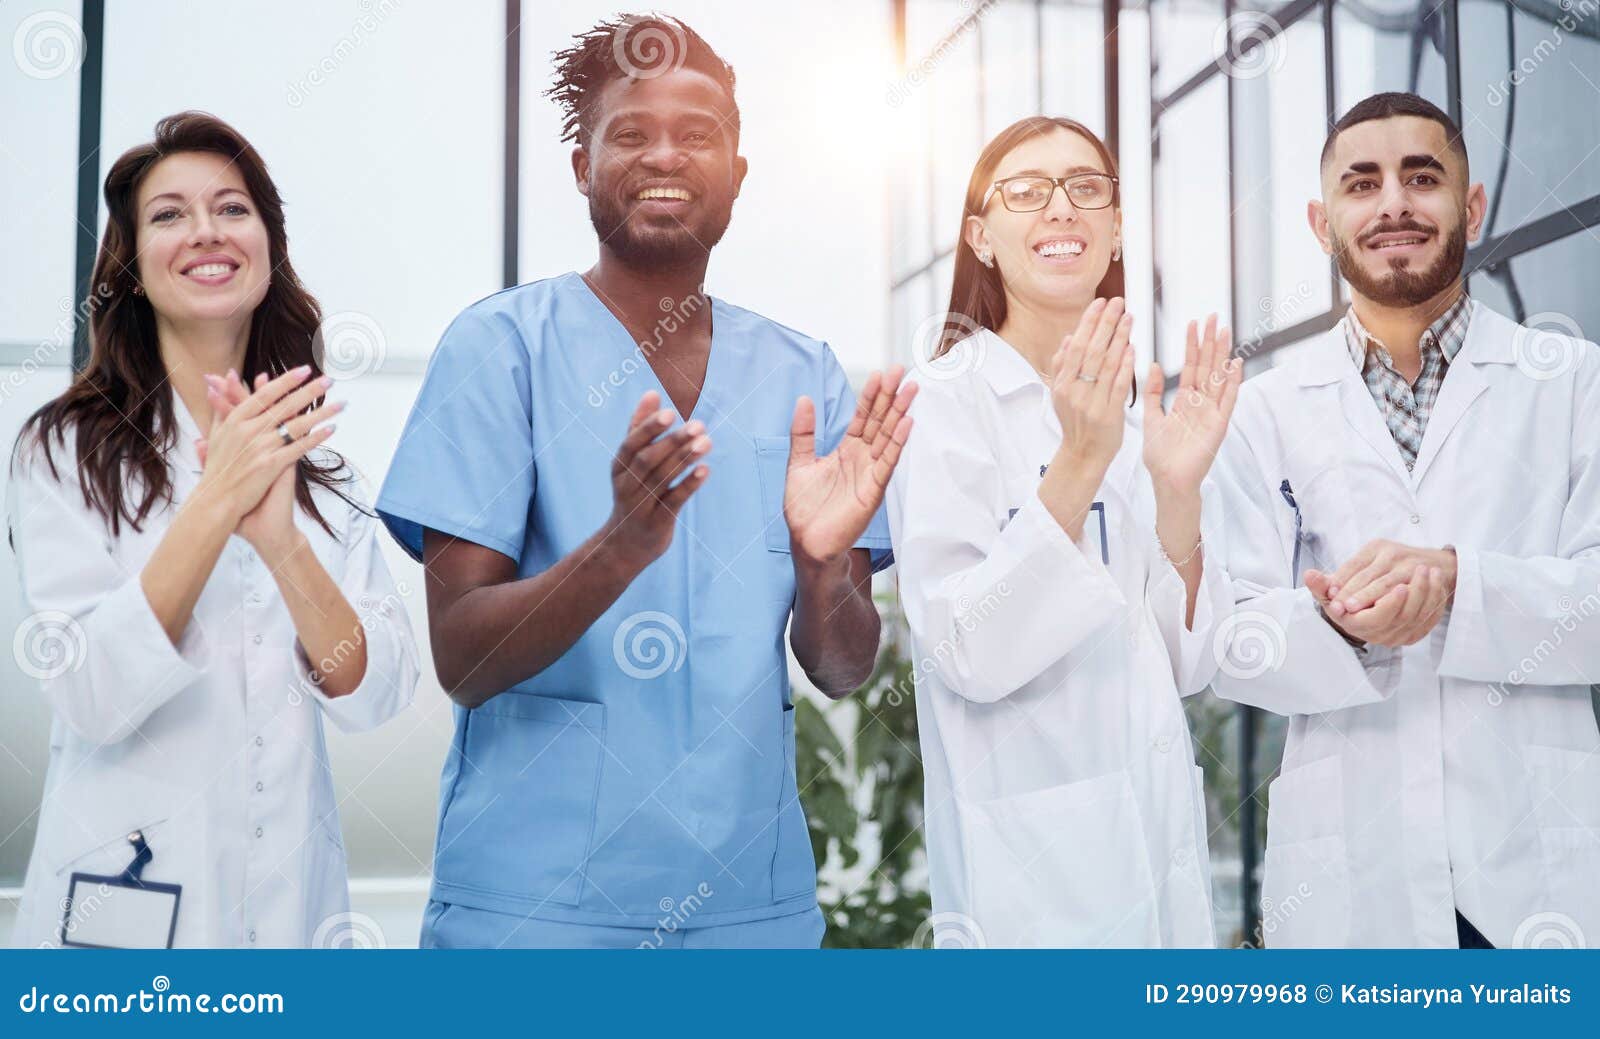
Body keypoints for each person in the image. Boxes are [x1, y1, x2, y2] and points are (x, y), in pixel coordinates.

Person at [376, 14, 914, 949]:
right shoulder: (500, 351)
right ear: (581, 165)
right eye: (630, 132)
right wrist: (620, 547)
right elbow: (462, 659)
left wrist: (826, 566)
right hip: (536, 912)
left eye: (697, 132)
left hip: (751, 912)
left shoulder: (805, 373)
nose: (664, 152)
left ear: (738, 173)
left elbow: (839, 666)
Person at [7, 112, 418, 949]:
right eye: (168, 214)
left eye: (233, 208)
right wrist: (215, 500)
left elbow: (375, 694)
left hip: (292, 912)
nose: (205, 231)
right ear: (130, 268)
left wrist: (282, 541)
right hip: (120, 914)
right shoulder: (65, 451)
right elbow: (92, 693)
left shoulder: (322, 473)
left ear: (267, 248)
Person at [1211, 92, 1600, 948]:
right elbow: (1229, 638)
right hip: (1353, 880)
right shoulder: (1264, 411)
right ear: (1323, 222)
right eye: (1362, 184)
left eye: (1421, 178)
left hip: (1534, 864)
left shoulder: (1574, 382)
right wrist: (1343, 629)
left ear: (1472, 205)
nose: (1392, 203)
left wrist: (1460, 582)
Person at [886, 116, 1242, 947]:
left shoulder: (1138, 409)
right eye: (1025, 192)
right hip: (1029, 892)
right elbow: (965, 649)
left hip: (1159, 866)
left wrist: (1177, 494)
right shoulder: (942, 402)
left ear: (1116, 228)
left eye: (1087, 189)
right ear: (982, 236)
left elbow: (1189, 663)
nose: (1061, 210)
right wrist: (1079, 461)